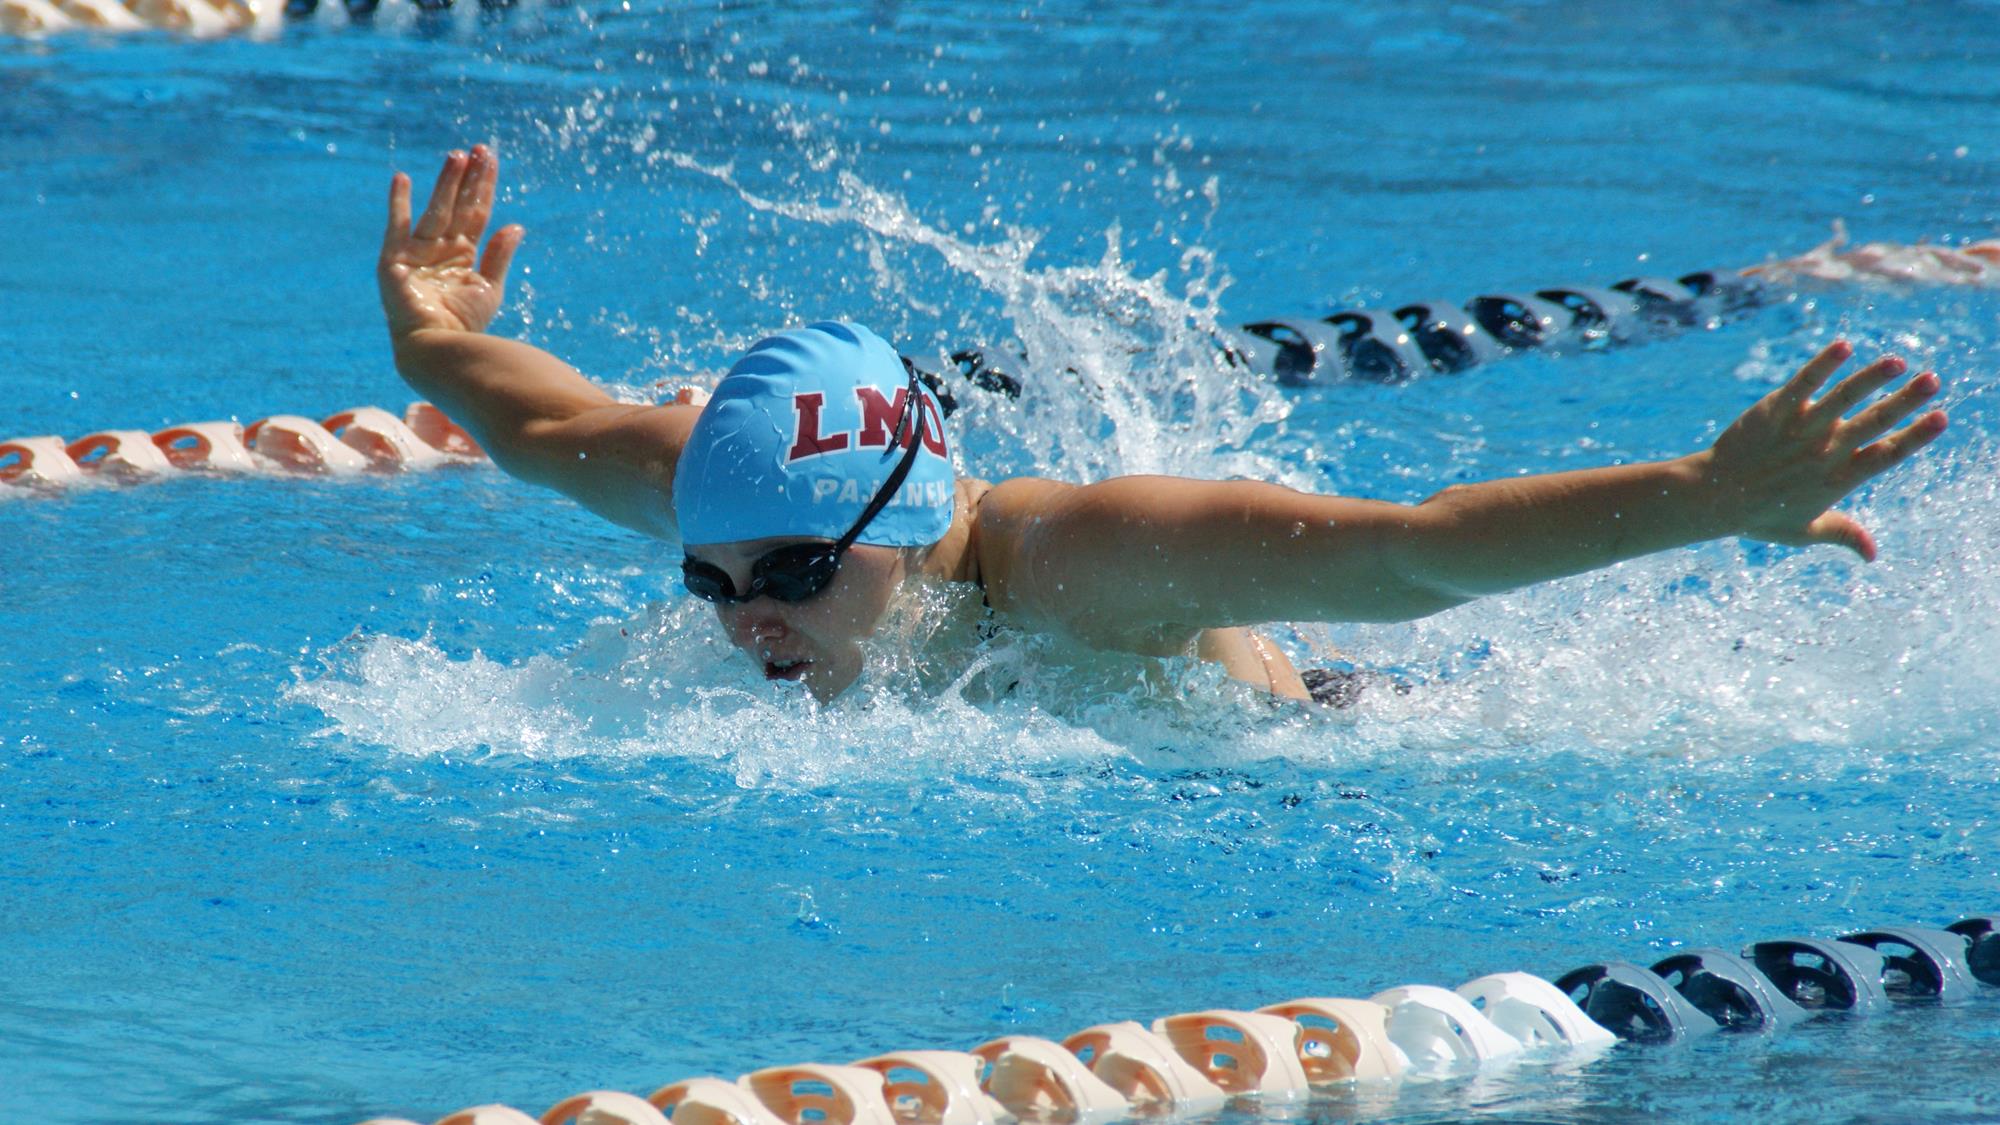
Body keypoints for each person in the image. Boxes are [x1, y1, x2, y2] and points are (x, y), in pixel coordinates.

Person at [379, 145, 1950, 704]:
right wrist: (437, 341)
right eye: (708, 584)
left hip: (1321, 727)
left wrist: (1700, 488)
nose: (744, 622)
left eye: (785, 578)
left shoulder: (1079, 563)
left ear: (905, 523)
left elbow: (1406, 557)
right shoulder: (740, 504)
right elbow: (541, 426)